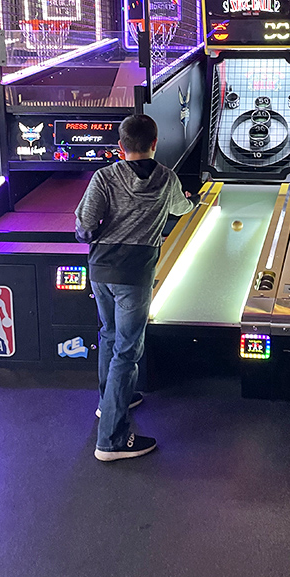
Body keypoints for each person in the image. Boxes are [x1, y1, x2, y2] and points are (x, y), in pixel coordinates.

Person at [75, 114, 198, 461]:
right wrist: (193, 200)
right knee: (127, 351)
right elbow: (182, 208)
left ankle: (110, 402)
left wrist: (94, 233)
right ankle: (111, 441)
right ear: (155, 143)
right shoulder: (166, 178)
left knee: (109, 335)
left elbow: (84, 226)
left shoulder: (104, 177)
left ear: (121, 146)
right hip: (134, 273)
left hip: (101, 269)